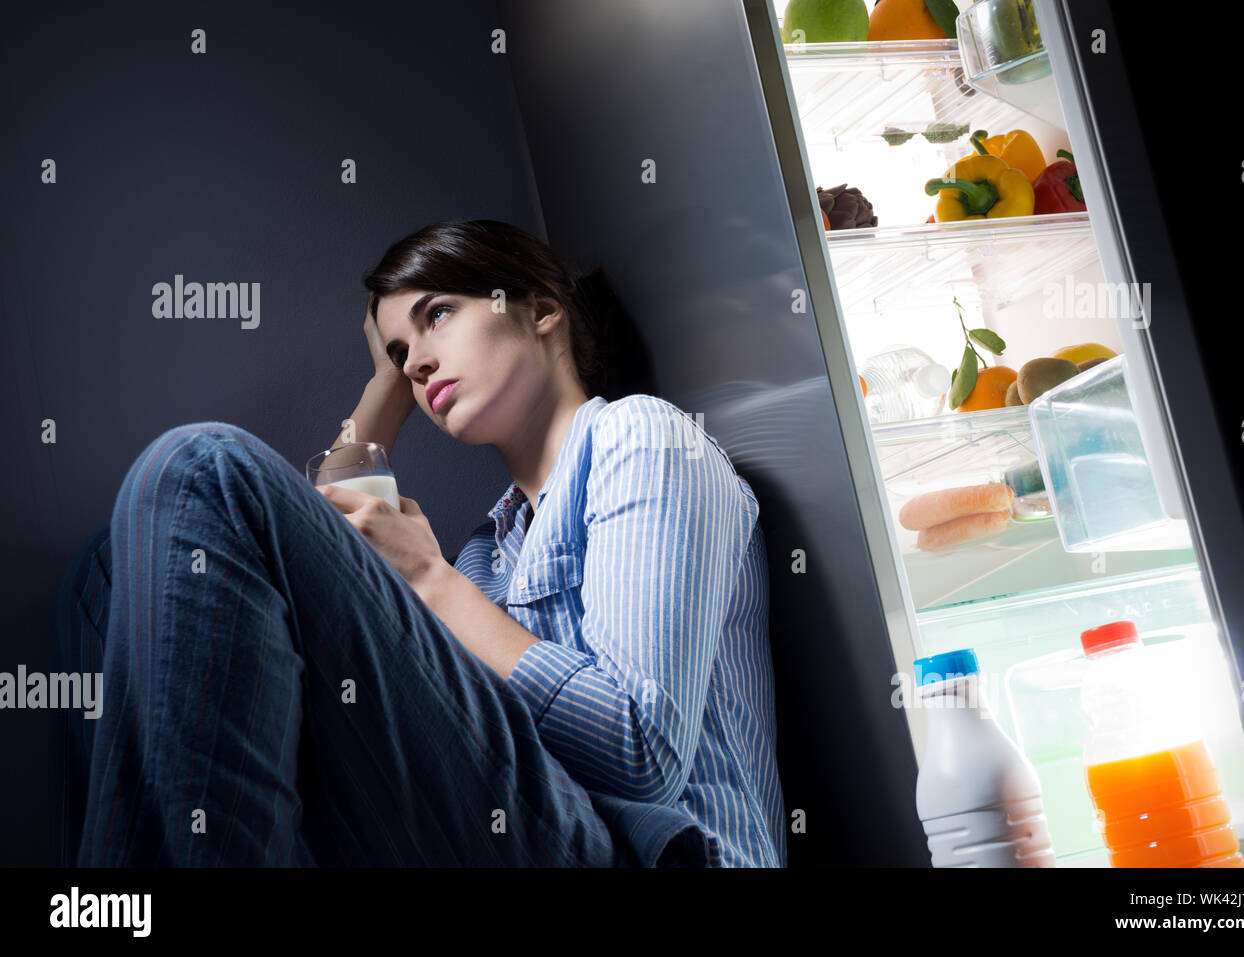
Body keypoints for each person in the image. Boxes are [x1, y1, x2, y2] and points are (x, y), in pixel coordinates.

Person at [51, 219, 785, 867]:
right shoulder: (487, 550)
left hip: (655, 847)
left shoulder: (643, 436)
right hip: (534, 819)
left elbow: (642, 749)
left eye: (439, 316)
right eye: (401, 351)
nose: (416, 362)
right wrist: (388, 384)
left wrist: (429, 580)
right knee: (108, 574)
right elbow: (294, 550)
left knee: (203, 468)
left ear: (542, 309)